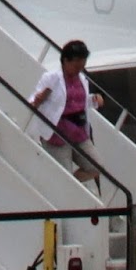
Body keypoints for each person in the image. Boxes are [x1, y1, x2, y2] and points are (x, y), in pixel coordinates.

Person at [29, 40, 104, 182]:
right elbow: (32, 100)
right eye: (76, 65)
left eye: (82, 65)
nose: (78, 69)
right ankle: (67, 187)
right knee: (63, 173)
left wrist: (93, 100)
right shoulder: (51, 78)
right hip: (58, 133)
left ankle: (72, 183)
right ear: (65, 61)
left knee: (96, 166)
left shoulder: (82, 79)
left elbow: (78, 101)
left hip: (79, 131)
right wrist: (38, 100)